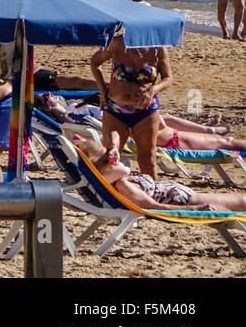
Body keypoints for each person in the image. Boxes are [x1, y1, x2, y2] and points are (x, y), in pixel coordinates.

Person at [88, 29, 172, 180]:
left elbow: (168, 78)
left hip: (146, 111)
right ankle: (107, 198)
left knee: (148, 160)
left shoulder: (157, 47)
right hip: (115, 109)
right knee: (109, 159)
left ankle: (151, 198)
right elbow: (95, 62)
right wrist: (102, 89)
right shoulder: (117, 43)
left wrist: (152, 90)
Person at [78, 139, 246, 212]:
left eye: (109, 151)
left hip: (187, 195)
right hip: (189, 201)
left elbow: (114, 134)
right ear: (103, 167)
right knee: (242, 202)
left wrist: (112, 147)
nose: (113, 155)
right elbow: (153, 207)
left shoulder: (112, 180)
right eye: (107, 156)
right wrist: (194, 209)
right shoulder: (122, 184)